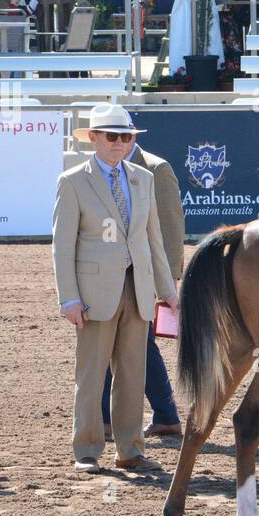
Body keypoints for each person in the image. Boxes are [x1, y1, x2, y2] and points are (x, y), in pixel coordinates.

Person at [53, 104, 178, 475]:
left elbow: (152, 238)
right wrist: (69, 297)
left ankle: (130, 449)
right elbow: (62, 245)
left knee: (132, 374)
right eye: (112, 136)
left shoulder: (144, 177)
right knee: (90, 373)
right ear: (93, 138)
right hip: (93, 292)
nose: (120, 143)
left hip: (137, 289)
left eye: (126, 137)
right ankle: (87, 449)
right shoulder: (73, 181)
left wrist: (167, 289)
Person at [101, 139, 185, 440]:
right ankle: (164, 416)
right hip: (115, 272)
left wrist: (170, 279)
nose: (116, 142)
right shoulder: (106, 167)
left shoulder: (156, 169)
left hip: (145, 273)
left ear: (132, 137)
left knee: (135, 341)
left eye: (121, 135)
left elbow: (172, 226)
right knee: (125, 340)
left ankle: (156, 415)